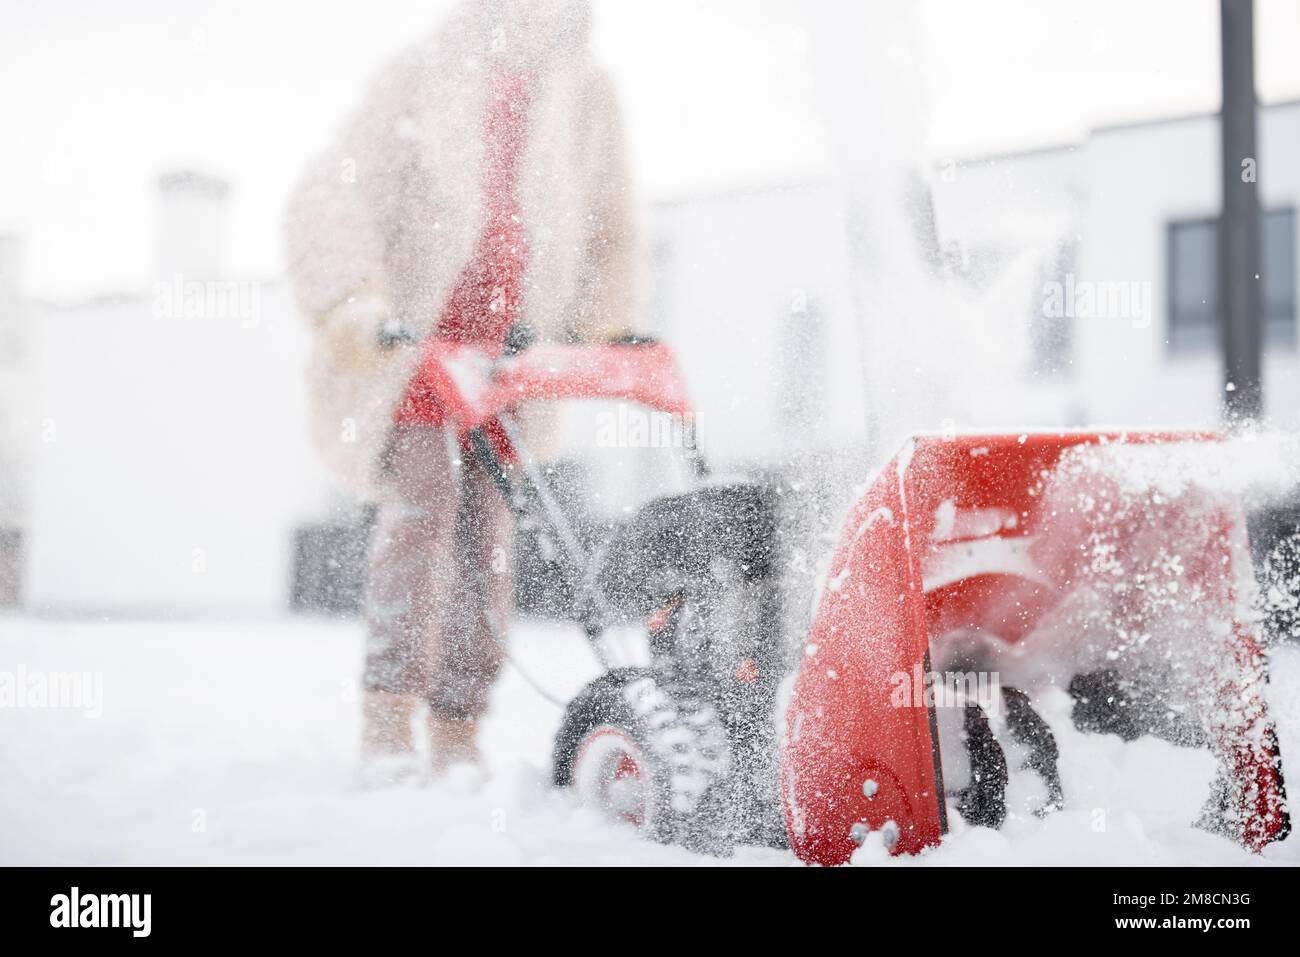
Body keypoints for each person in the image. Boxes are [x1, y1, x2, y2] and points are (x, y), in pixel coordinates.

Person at [283, 0, 636, 777]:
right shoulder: (420, 77)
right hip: (420, 350)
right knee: (420, 524)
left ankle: (457, 730)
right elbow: (331, 191)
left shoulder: (585, 99)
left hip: (508, 366)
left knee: (491, 547)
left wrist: (598, 323)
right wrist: (351, 297)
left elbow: (611, 223)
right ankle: (387, 724)